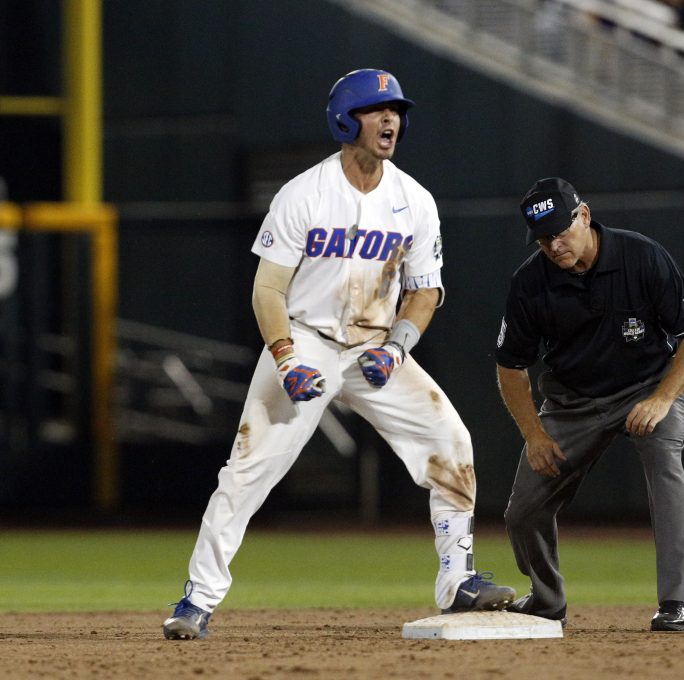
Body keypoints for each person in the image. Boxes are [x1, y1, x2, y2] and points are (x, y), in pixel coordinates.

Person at [162, 68, 514, 640]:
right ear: (345, 119)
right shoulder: (304, 193)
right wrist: (285, 358)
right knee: (247, 472)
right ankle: (196, 600)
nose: (391, 120)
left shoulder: (414, 200)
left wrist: (398, 348)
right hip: (305, 338)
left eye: (396, 110)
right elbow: (267, 290)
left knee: (450, 444)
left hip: (376, 344)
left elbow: (424, 290)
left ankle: (458, 581)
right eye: (378, 110)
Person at [495, 178, 684, 631]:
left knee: (667, 473)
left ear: (585, 216)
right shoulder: (530, 282)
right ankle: (547, 600)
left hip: (646, 389)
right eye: (543, 238)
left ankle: (679, 602)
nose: (554, 245)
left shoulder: (641, 256)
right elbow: (510, 366)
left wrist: (663, 398)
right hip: (572, 403)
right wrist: (533, 433)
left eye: (561, 231)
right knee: (523, 510)